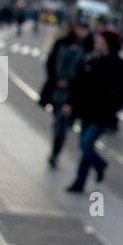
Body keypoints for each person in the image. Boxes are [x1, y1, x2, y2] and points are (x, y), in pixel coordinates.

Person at [66, 29, 123, 193]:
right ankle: (91, 172)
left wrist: (116, 105)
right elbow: (79, 84)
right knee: (84, 146)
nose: (96, 42)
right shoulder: (91, 59)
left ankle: (88, 174)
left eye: (99, 40)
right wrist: (71, 103)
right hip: (87, 110)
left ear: (107, 43)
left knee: (86, 144)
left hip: (104, 114)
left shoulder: (118, 64)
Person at [46, 22, 88, 166]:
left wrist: (69, 83)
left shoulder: (87, 48)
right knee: (58, 123)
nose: (82, 32)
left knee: (63, 126)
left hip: (73, 94)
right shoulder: (61, 43)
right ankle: (55, 151)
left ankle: (55, 153)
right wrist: (56, 80)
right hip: (57, 90)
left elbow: (84, 75)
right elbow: (50, 62)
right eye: (80, 28)